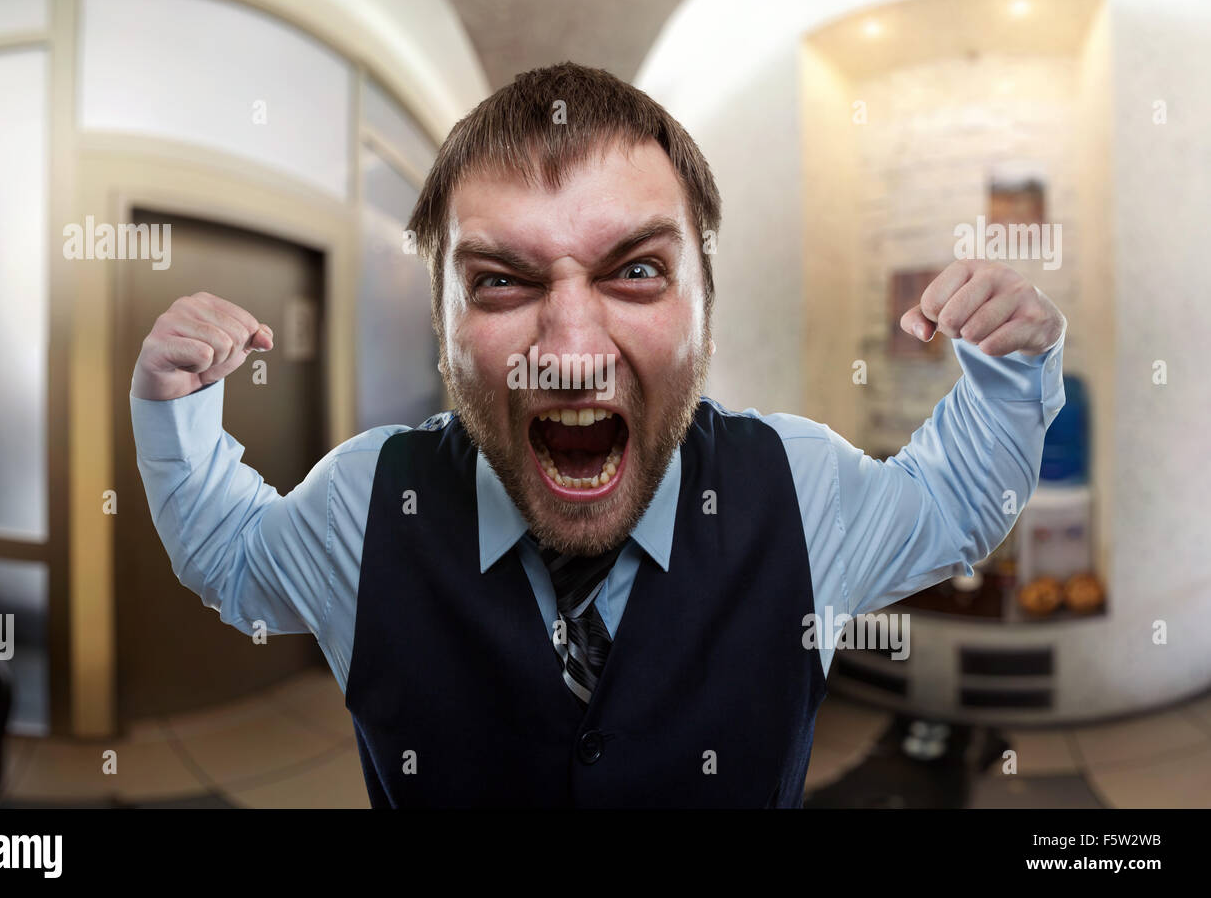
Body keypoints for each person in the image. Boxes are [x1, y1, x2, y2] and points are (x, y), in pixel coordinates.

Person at [130, 62, 1066, 807]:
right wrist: (174, 407)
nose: (571, 355)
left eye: (637, 271)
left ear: (706, 308)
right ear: (442, 324)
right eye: (500, 281)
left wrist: (1011, 371)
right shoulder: (368, 503)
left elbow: (951, 509)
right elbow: (234, 557)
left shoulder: (798, 487)